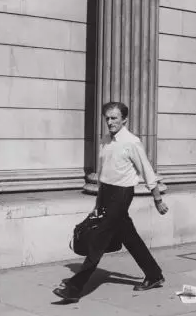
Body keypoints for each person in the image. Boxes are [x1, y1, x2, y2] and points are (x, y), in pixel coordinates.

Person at [53, 101, 168, 303]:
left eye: (114, 118)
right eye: (107, 118)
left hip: (122, 194)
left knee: (99, 239)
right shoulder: (105, 140)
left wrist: (157, 199)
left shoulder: (132, 142)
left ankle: (74, 289)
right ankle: (154, 275)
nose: (110, 121)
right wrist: (98, 201)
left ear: (124, 119)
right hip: (106, 193)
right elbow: (104, 173)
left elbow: (147, 170)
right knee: (129, 237)